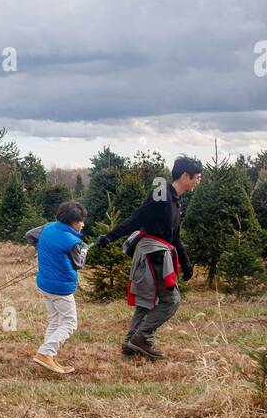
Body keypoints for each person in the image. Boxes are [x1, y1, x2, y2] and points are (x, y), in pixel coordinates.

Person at [93, 157, 202, 360]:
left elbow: (174, 236)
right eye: (197, 177)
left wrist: (186, 262)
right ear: (185, 175)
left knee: (146, 301)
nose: (199, 180)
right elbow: (137, 217)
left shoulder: (176, 201)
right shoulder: (161, 195)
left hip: (162, 251)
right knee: (171, 300)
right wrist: (110, 236)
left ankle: (129, 344)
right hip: (154, 253)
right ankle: (142, 337)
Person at [25, 201, 88, 374]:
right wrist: (84, 251)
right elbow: (79, 264)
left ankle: (47, 357)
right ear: (71, 222)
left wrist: (39, 248)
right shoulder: (72, 241)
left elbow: (30, 234)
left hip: (44, 283)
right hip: (60, 287)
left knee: (55, 320)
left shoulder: (48, 227)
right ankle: (45, 353)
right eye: (80, 221)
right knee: (70, 323)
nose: (83, 224)